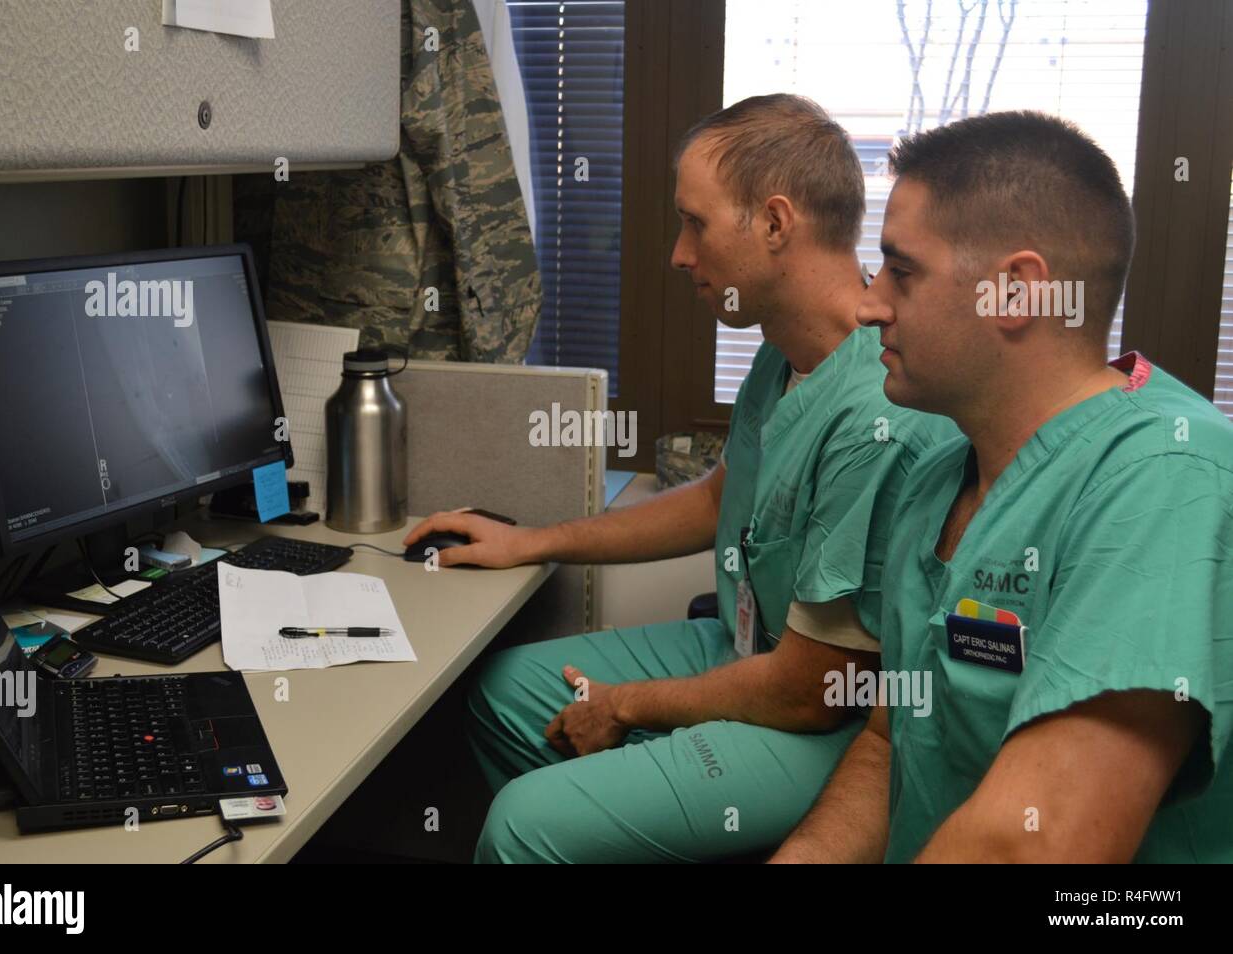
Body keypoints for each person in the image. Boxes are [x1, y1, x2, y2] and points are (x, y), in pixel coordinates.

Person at [407, 94, 955, 863]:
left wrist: (625, 706)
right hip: (743, 652)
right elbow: (717, 498)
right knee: (502, 694)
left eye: (695, 223)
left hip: (817, 719)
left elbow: (809, 690)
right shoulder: (783, 354)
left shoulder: (877, 411)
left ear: (774, 223)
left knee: (524, 825)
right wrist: (531, 542)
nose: (678, 254)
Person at [771, 111, 1233, 864]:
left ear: (1016, 294)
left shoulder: (1168, 482)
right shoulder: (935, 474)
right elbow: (894, 741)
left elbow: (1042, 843)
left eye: (903, 271)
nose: (867, 304)